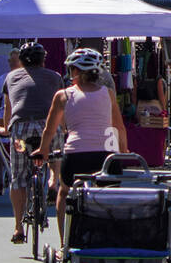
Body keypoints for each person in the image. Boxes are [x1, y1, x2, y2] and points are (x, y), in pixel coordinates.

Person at [31, 47, 128, 242]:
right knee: (109, 196)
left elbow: (49, 131)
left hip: (77, 156)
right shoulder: (108, 93)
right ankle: (110, 239)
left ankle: (64, 244)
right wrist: (124, 151)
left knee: (64, 192)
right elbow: (119, 127)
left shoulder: (63, 95)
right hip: (106, 156)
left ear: (74, 71)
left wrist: (42, 150)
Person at [0, 43, 63, 245]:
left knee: (18, 177)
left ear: (21, 61)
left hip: (21, 128)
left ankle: (18, 228)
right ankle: (54, 179)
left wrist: (6, 129)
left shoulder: (11, 77)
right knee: (55, 153)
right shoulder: (55, 77)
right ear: (43, 60)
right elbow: (60, 109)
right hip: (47, 124)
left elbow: (8, 111)